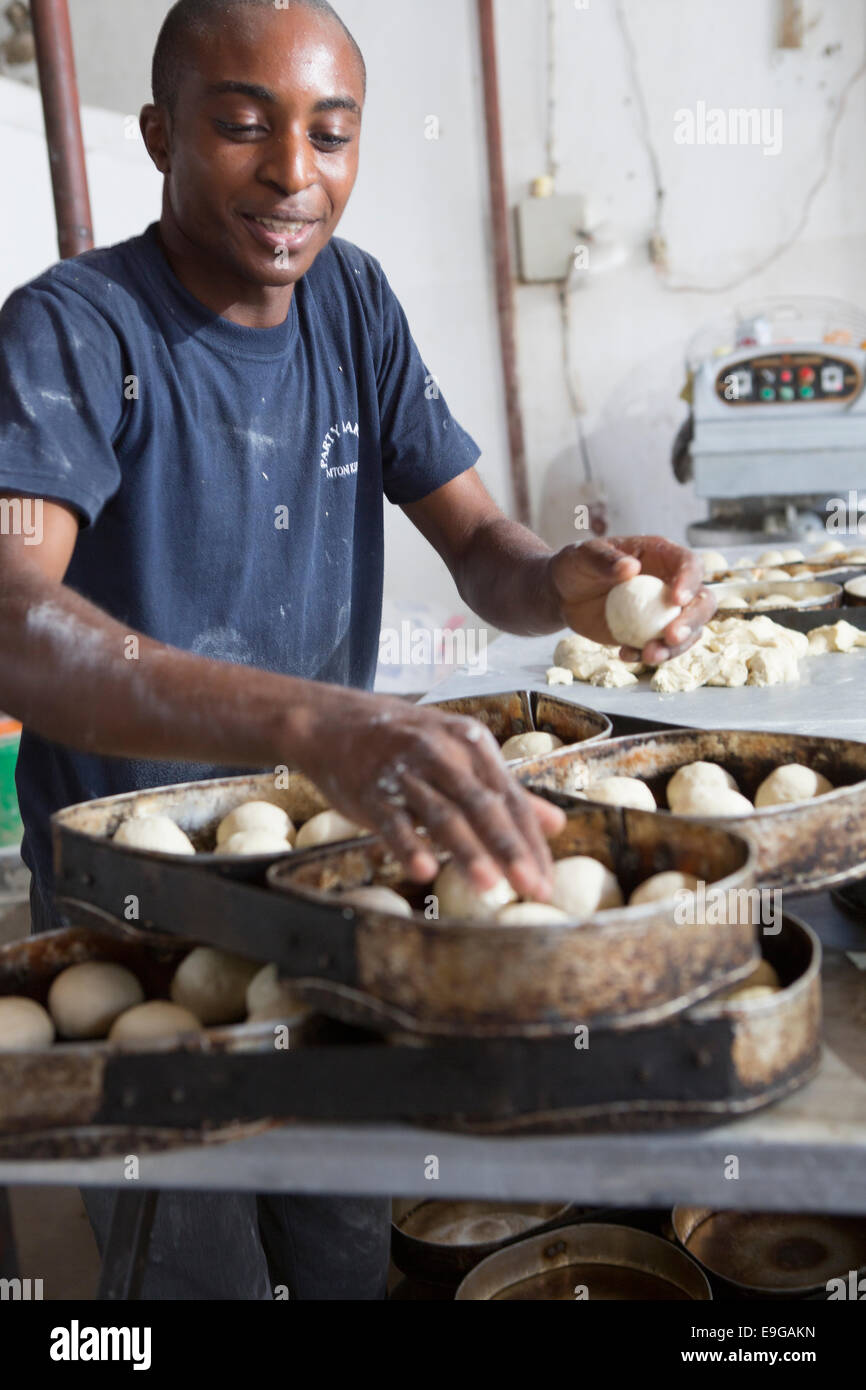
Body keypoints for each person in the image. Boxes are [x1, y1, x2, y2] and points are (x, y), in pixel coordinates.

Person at [0, 0, 712, 1299]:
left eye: (330, 134)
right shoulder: (73, 332)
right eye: (241, 126)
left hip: (335, 900)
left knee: (340, 1249)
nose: (293, 173)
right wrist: (312, 723)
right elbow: (12, 619)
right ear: (160, 133)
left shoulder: (353, 303)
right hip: (133, 914)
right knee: (188, 1268)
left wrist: (573, 576)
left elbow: (486, 550)